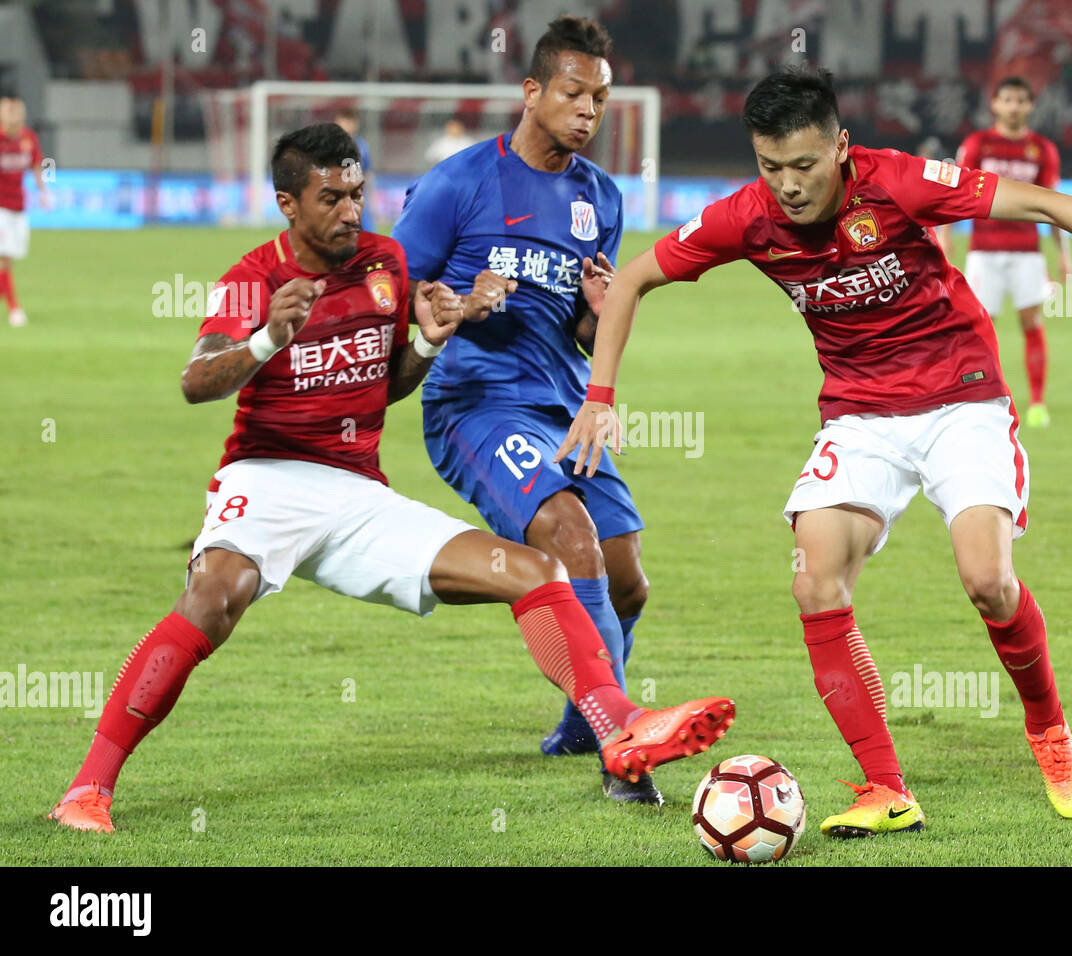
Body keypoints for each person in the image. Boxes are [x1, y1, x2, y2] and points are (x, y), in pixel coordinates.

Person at [557, 67, 1072, 837]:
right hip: (861, 414)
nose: (787, 186)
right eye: (770, 167)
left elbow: (1044, 202)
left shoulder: (900, 183)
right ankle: (886, 788)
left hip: (962, 398)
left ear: (841, 149)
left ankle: (1047, 726)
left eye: (805, 166)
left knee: (987, 581)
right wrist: (600, 397)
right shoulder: (746, 218)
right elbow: (636, 277)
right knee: (816, 582)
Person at [46, 123, 734, 834]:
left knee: (536, 571)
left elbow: (386, 386)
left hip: (356, 492)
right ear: (288, 204)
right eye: (331, 198)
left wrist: (432, 339)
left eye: (358, 194)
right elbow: (197, 383)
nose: (351, 211)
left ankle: (621, 727)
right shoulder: (254, 278)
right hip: (269, 479)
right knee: (215, 597)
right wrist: (265, 340)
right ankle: (87, 791)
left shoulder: (385, 264)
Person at [391, 16, 659, 804]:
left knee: (627, 580)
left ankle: (579, 726)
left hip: (560, 406)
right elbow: (390, 282)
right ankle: (624, 747)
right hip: (474, 403)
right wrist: (451, 305)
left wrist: (599, 312)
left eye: (601, 99)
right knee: (569, 537)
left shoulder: (600, 198)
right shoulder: (461, 181)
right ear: (533, 91)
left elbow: (582, 330)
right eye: (574, 93)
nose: (589, 110)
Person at [937, 78, 1066, 428]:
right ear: (994, 104)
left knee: (1032, 324)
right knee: (980, 327)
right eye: (1006, 100)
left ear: (1029, 106)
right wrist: (944, 235)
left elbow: (1054, 206)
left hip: (1027, 252)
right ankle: (981, 397)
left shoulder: (1042, 149)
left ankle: (1037, 402)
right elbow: (954, 191)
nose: (1013, 107)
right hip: (985, 252)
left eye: (1020, 101)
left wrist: (1063, 254)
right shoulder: (979, 144)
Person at [0, 95, 51, 328]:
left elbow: (37, 164)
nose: (12, 129)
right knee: (4, 259)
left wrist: (43, 191)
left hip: (19, 207)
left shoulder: (28, 137)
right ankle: (14, 308)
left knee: (11, 258)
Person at [332, 107, 373, 232]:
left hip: (357, 197)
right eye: (344, 122)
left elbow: (367, 173)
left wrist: (372, 199)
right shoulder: (330, 146)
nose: (348, 126)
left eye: (351, 122)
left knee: (367, 234)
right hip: (338, 197)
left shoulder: (362, 146)